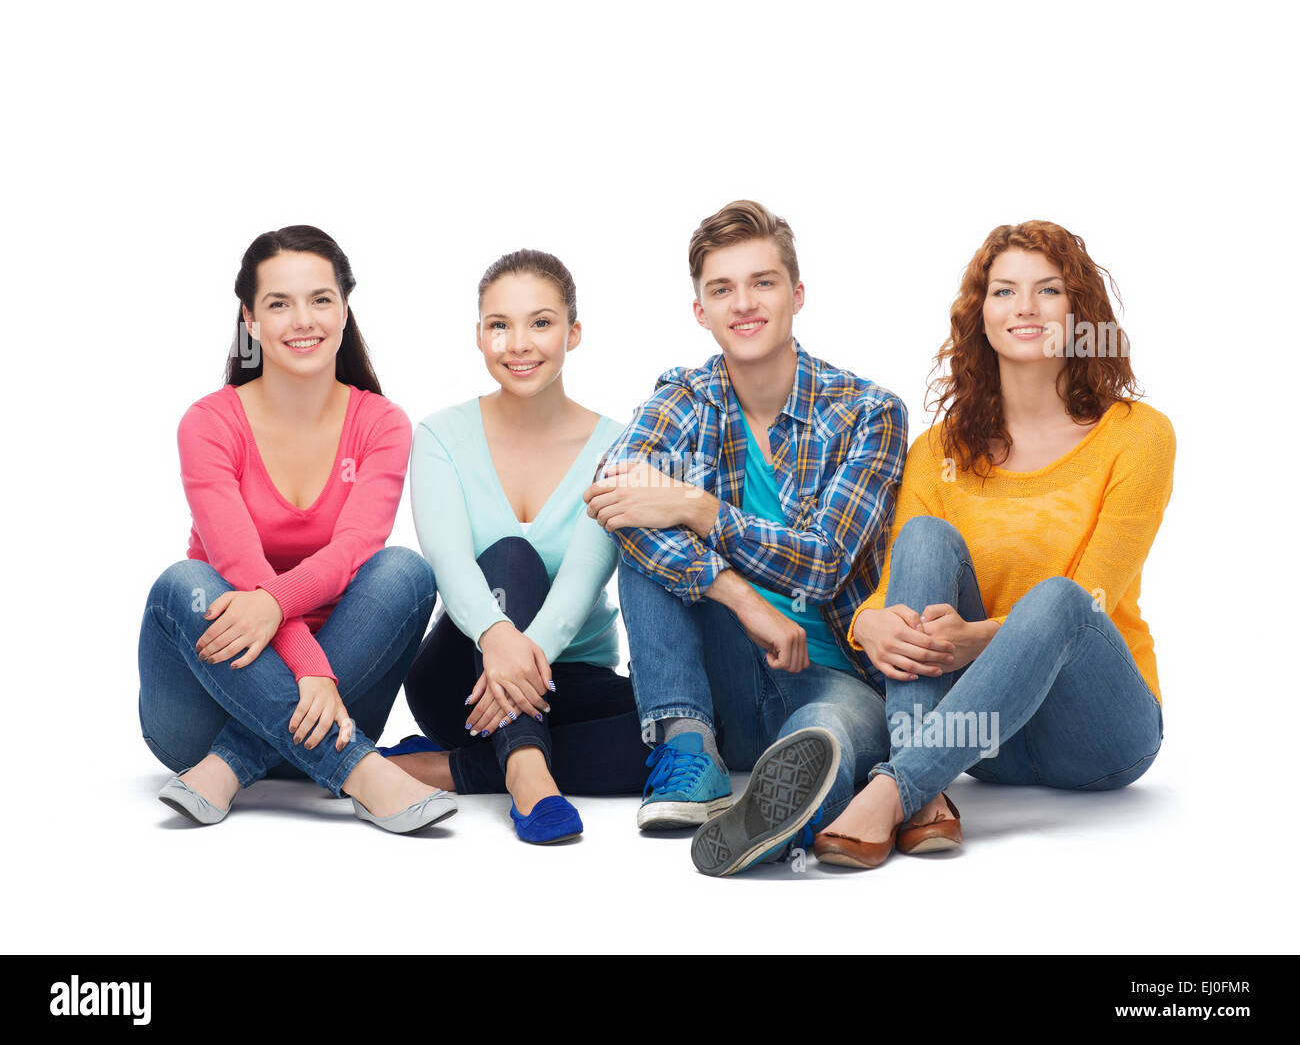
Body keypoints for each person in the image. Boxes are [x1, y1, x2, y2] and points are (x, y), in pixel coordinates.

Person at [813, 220, 1174, 869]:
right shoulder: (938, 451)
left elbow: (1093, 598)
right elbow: (896, 581)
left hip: (1100, 731)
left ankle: (896, 787)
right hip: (985, 744)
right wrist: (868, 623)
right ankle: (925, 797)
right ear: (981, 315)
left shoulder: (1138, 435)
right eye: (1005, 292)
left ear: (1079, 310)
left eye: (1049, 290)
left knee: (1062, 599)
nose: (1026, 308)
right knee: (924, 536)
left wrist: (975, 639)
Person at [583, 200, 908, 876]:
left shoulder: (868, 412)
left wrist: (695, 506)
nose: (744, 304)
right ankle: (690, 751)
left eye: (762, 282)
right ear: (700, 310)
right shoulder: (686, 396)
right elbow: (610, 495)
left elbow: (821, 563)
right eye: (722, 289)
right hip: (720, 677)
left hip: (830, 678)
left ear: (796, 294)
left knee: (833, 732)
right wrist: (737, 595)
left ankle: (779, 806)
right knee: (641, 520)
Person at [138, 225, 454, 834]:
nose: (301, 320)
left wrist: (295, 637)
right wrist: (307, 664)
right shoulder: (208, 423)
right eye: (278, 304)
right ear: (251, 322)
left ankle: (233, 763)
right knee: (186, 583)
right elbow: (240, 570)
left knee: (405, 572)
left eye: (319, 299)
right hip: (210, 705)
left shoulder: (381, 423)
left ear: (343, 310)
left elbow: (353, 550)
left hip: (340, 693)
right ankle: (362, 773)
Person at [387, 249, 647, 844]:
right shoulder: (439, 435)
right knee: (511, 556)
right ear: (479, 335)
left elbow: (584, 580)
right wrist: (498, 639)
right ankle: (528, 774)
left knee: (672, 730)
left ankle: (456, 767)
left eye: (541, 322)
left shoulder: (620, 443)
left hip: (566, 678)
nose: (518, 343)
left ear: (573, 332)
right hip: (462, 677)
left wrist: (523, 664)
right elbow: (450, 565)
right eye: (499, 325)